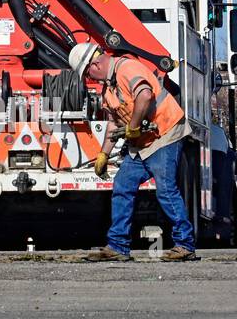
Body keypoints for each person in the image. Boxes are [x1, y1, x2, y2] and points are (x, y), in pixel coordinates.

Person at [69, 42, 198, 262]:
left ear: (96, 63)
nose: (89, 78)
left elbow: (145, 95)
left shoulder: (127, 68)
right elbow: (112, 124)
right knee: (122, 184)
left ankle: (185, 245)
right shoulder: (108, 90)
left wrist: (135, 125)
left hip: (165, 133)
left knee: (166, 189)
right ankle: (118, 246)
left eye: (87, 73)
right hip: (143, 143)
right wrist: (103, 155)